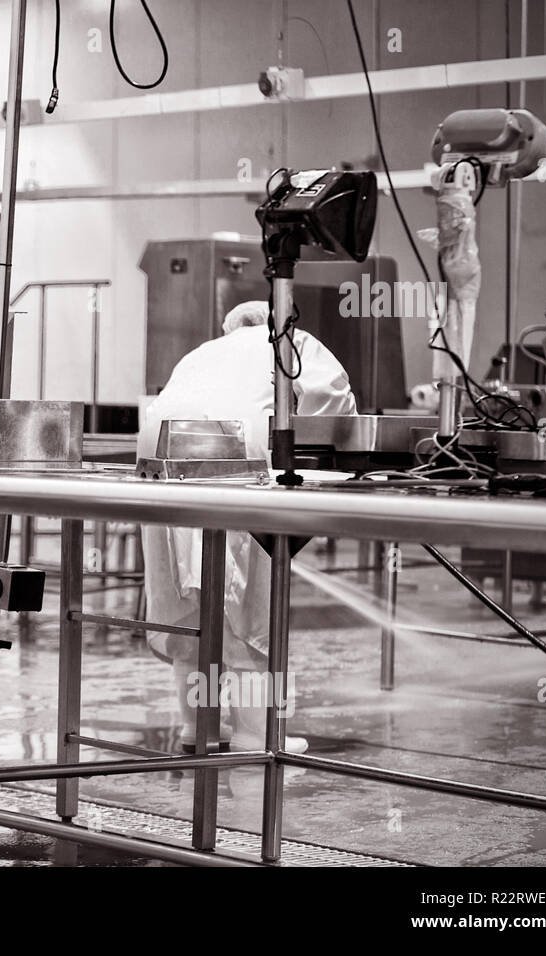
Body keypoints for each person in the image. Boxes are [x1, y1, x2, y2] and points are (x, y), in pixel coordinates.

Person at [138, 299, 356, 754]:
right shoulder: (289, 342)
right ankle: (255, 737)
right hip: (237, 460)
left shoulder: (201, 353)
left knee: (189, 600)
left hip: (162, 463)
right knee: (251, 608)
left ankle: (198, 729)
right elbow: (336, 405)